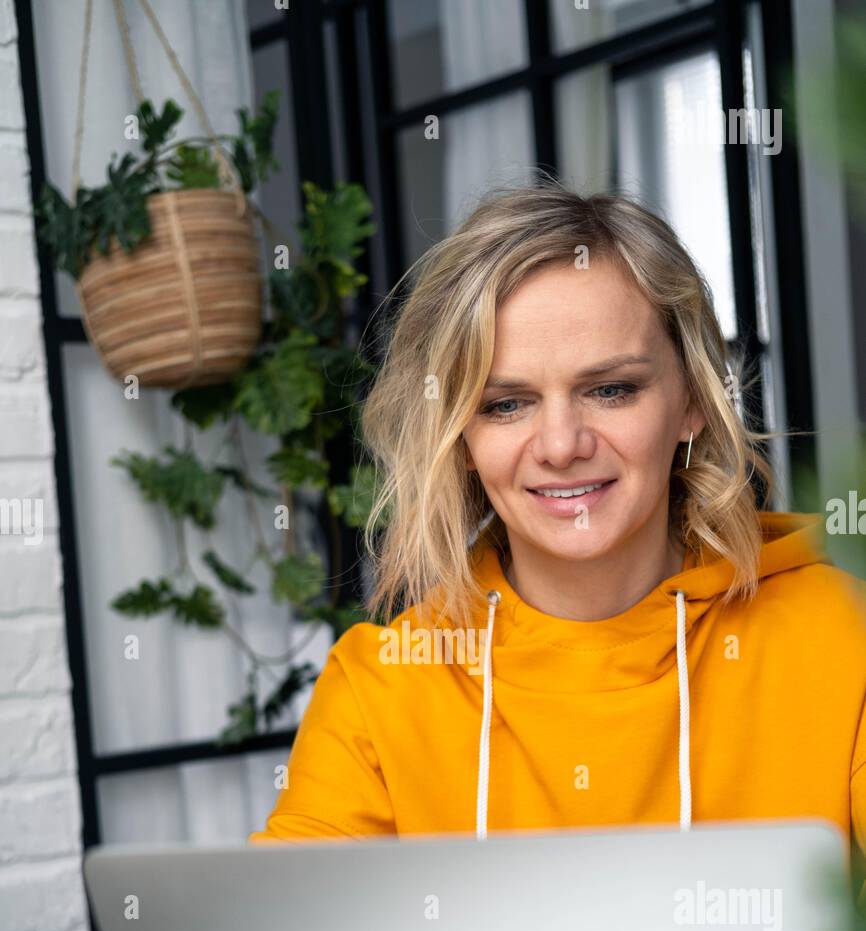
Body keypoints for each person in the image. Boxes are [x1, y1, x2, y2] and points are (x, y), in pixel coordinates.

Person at [248, 182, 866, 862]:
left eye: (610, 390)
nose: (561, 444)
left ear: (692, 401)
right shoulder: (380, 690)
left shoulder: (842, 632)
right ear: (459, 438)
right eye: (506, 404)